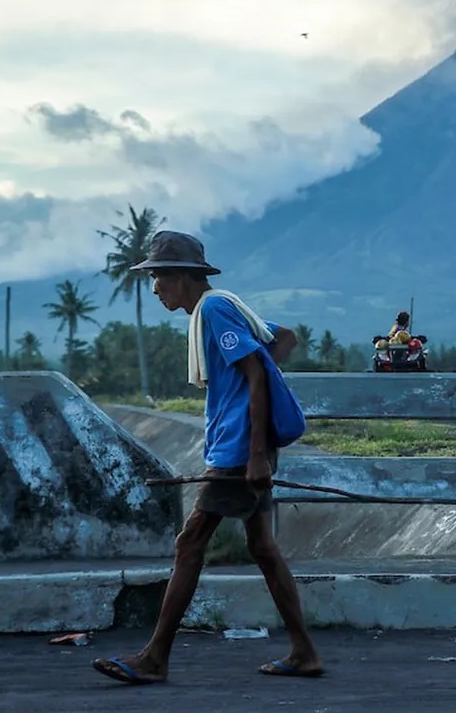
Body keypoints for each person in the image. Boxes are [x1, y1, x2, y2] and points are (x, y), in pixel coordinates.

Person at [91, 230, 323, 685]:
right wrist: (247, 401)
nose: (155, 287)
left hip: (239, 453)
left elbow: (255, 372)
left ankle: (155, 657)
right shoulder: (223, 307)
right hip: (243, 448)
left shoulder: (214, 310)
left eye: (158, 276)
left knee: (189, 542)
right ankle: (304, 651)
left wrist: (255, 454)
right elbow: (283, 339)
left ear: (182, 277)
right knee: (262, 547)